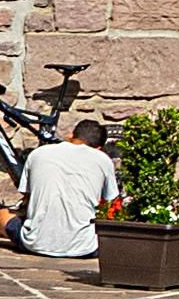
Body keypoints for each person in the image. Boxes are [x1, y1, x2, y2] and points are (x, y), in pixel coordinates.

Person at [12, 110, 118, 261]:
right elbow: (110, 202)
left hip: (35, 244)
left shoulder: (38, 153)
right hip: (85, 248)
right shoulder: (103, 160)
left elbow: (27, 199)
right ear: (99, 148)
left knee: (1, 216)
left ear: (70, 136)